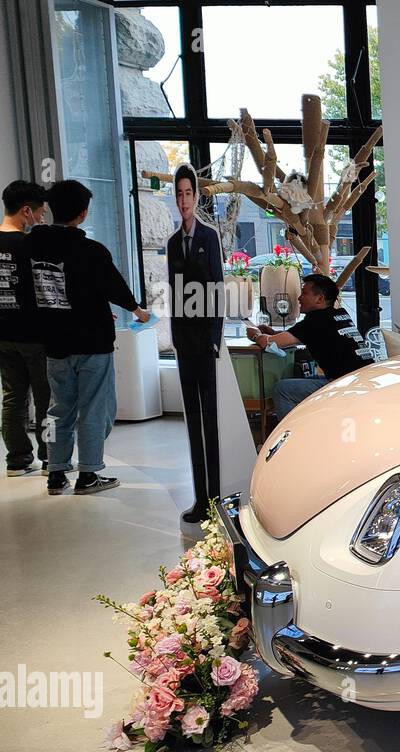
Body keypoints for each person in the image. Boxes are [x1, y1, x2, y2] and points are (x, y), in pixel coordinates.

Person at [29, 179, 150, 495]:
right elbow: (113, 287)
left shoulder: (31, 247)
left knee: (58, 409)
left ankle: (56, 473)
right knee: (94, 409)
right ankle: (88, 475)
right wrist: (137, 310)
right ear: (83, 213)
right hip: (92, 343)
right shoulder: (91, 250)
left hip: (54, 344)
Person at [165, 164, 225, 523]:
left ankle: (215, 498)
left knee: (211, 422)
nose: (184, 200)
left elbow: (217, 289)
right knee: (193, 425)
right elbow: (174, 294)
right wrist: (174, 337)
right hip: (184, 344)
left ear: (197, 196)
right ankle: (199, 498)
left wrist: (216, 340)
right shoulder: (173, 243)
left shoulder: (209, 237)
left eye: (189, 193)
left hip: (206, 343)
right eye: (179, 194)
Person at [248, 273, 372, 421]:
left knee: (282, 389)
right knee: (301, 377)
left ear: (320, 299)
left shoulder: (315, 321)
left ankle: (292, 436)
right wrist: (275, 333)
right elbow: (308, 336)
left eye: (304, 293)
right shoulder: (339, 314)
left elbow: (267, 343)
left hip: (343, 385)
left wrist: (255, 333)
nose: (299, 298)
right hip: (364, 379)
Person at [0, 180, 49, 477]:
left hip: (3, 335)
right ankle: (49, 457)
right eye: (40, 213)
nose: (41, 220)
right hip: (34, 333)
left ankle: (17, 460)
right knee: (45, 397)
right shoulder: (30, 245)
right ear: (26, 211)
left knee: (13, 396)